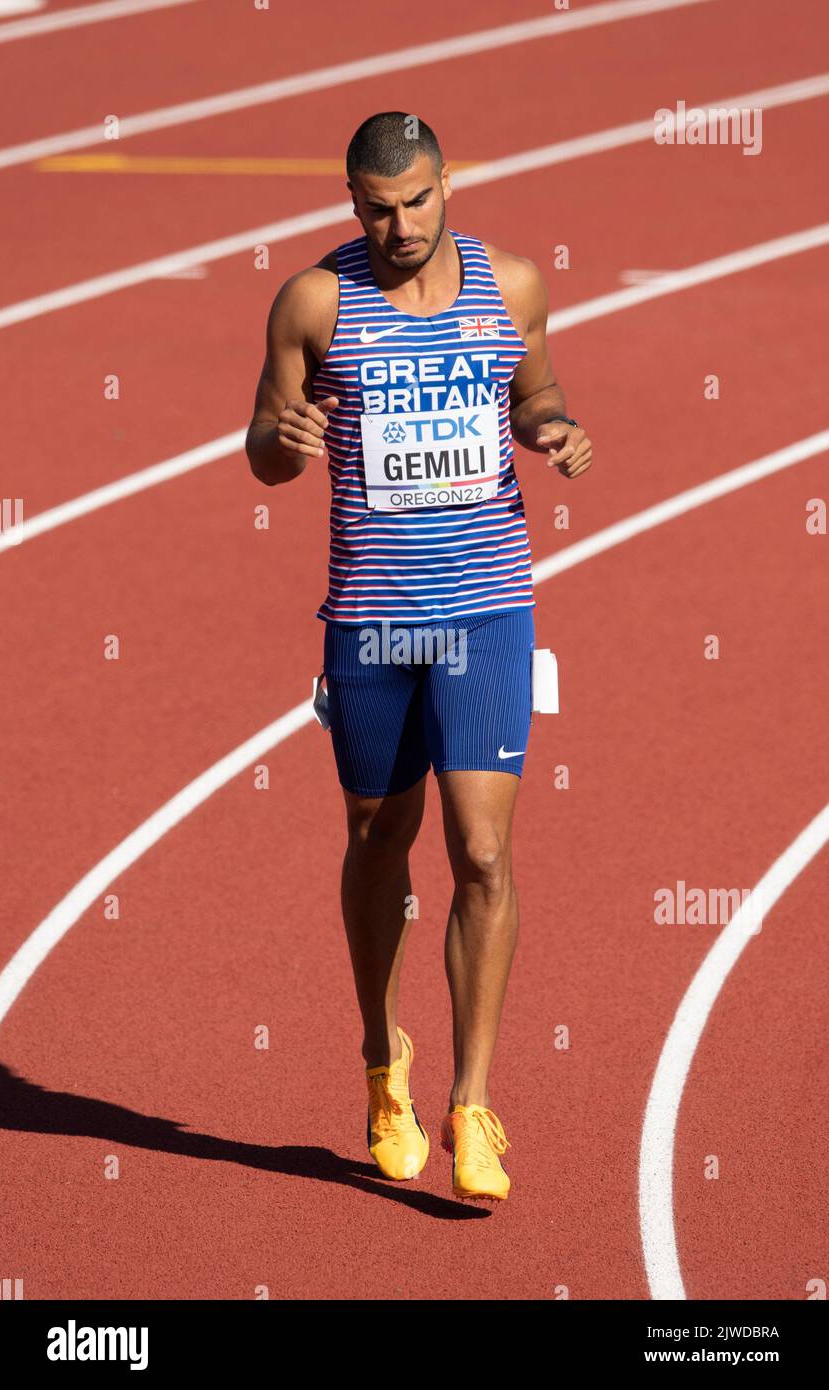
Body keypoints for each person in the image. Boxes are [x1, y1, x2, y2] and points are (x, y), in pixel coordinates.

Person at [246, 112, 592, 1202]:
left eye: (417, 201)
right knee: (376, 836)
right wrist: (283, 444)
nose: (399, 225)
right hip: (373, 620)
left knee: (482, 855)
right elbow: (261, 445)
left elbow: (535, 389)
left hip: (486, 609)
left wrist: (551, 428)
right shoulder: (314, 301)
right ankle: (379, 1054)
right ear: (352, 202)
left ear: (450, 186)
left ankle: (471, 1100)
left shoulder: (515, 288)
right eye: (376, 207)